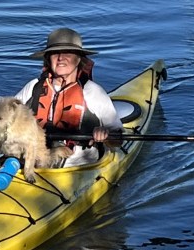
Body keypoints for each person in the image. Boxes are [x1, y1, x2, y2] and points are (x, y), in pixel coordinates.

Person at [15, 27, 123, 166]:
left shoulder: (92, 92)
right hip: (33, 161)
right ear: (48, 59)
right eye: (55, 53)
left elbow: (118, 140)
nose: (61, 58)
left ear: (79, 58)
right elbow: (6, 116)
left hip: (78, 167)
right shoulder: (33, 87)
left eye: (68, 53)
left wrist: (105, 133)